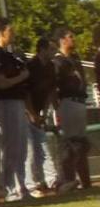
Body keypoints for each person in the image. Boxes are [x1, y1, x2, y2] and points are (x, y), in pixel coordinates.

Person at [0, 18, 34, 204]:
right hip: (5, 102)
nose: (12, 35)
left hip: (17, 102)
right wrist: (21, 77)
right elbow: (1, 83)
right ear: (2, 32)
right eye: (10, 31)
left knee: (21, 146)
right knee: (11, 146)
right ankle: (10, 188)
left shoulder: (11, 55)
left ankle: (21, 185)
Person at [51, 27, 92, 191]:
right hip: (67, 102)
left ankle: (85, 180)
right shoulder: (58, 61)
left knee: (81, 142)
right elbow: (53, 87)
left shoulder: (74, 58)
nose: (72, 39)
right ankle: (67, 180)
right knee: (71, 143)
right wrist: (57, 108)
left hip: (80, 101)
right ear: (62, 40)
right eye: (70, 37)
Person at [26, 34, 61, 195]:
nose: (54, 52)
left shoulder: (50, 67)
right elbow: (25, 93)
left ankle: (53, 181)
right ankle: (31, 185)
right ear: (42, 49)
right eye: (51, 49)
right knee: (30, 150)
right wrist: (32, 113)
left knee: (43, 146)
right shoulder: (31, 65)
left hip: (39, 112)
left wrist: (43, 113)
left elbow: (50, 91)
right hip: (26, 111)